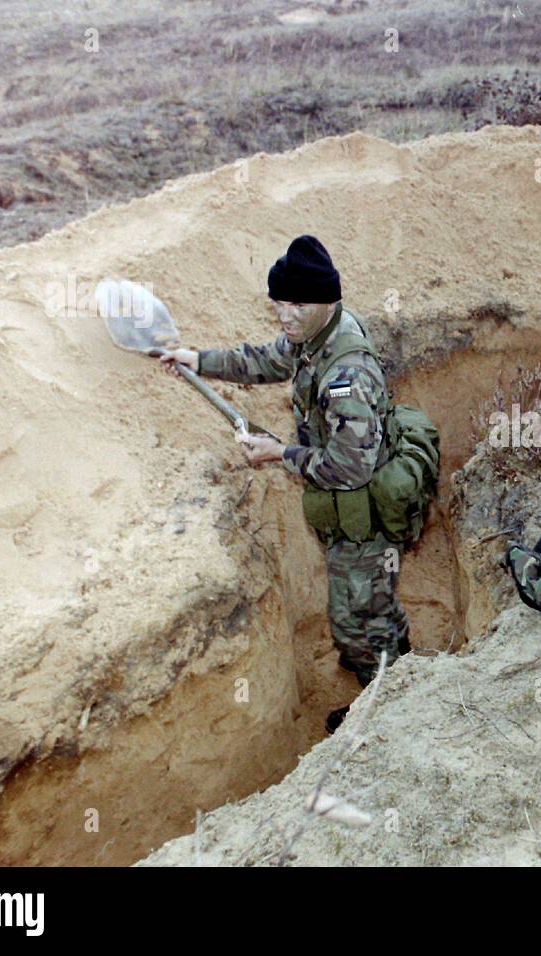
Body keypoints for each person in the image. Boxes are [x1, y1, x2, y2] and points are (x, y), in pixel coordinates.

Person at [157, 235, 411, 702]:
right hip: (351, 497)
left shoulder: (345, 378)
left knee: (356, 617)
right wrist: (198, 360)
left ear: (325, 300)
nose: (285, 316)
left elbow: (348, 470)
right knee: (372, 605)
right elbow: (264, 360)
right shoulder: (319, 331)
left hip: (363, 512)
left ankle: (389, 700)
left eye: (296, 305)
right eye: (279, 304)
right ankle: (389, 664)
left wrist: (279, 454)